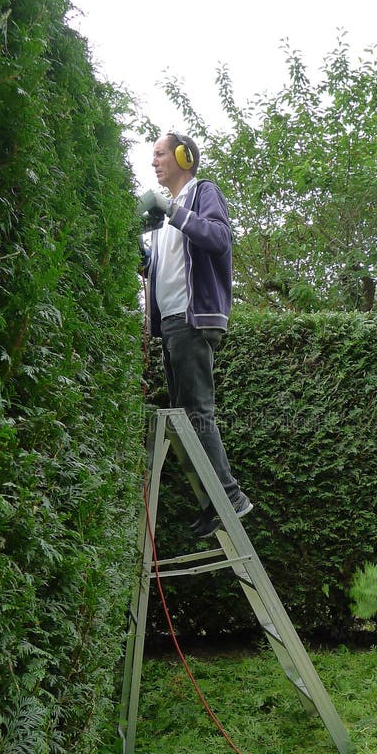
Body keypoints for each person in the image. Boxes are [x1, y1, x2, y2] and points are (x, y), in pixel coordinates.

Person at [138, 131, 252, 539]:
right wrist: (143, 255)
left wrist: (171, 209)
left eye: (160, 154)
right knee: (185, 419)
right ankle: (213, 504)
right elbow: (166, 266)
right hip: (171, 322)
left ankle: (230, 497)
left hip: (193, 320)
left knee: (197, 413)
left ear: (184, 157)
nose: (154, 162)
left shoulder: (203, 193)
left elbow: (219, 239)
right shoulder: (167, 217)